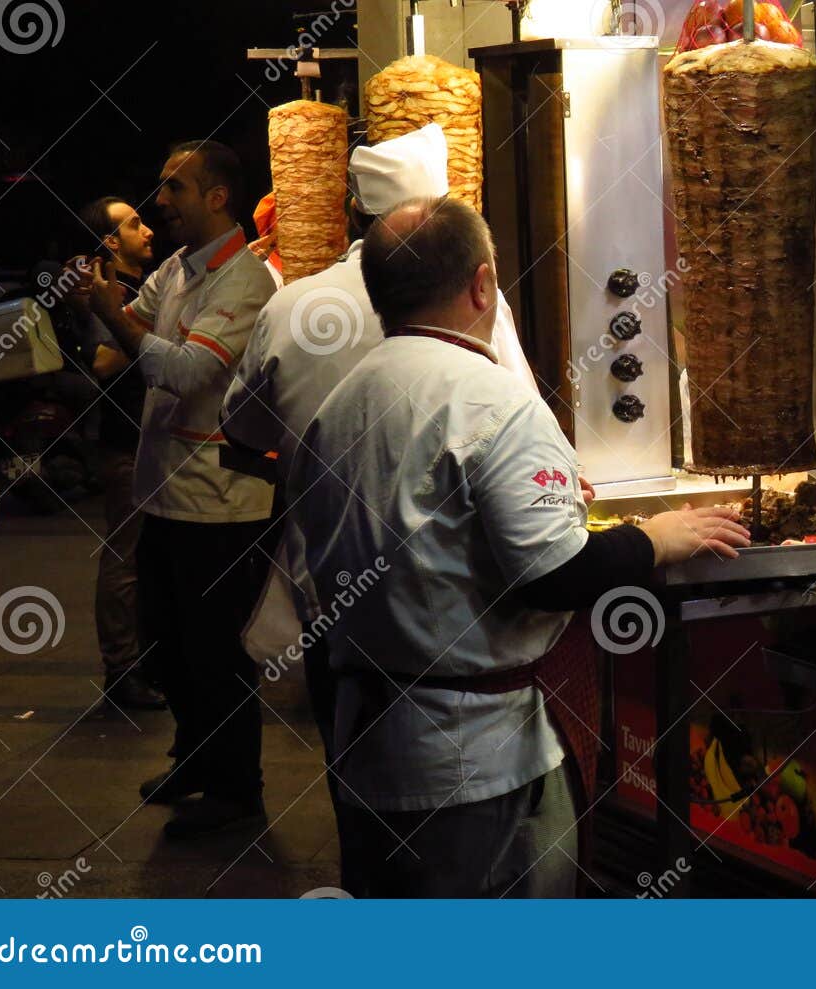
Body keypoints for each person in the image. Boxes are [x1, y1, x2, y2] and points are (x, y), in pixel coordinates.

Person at [285, 196, 749, 897]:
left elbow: (420, 532)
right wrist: (657, 537)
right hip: (475, 768)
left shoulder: (341, 400)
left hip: (365, 747)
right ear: (481, 284)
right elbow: (553, 576)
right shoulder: (492, 400)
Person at [220, 123, 543, 893]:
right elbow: (530, 438)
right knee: (468, 847)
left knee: (362, 788)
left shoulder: (294, 307)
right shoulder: (479, 310)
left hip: (337, 610)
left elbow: (241, 434)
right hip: (458, 624)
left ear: (358, 217)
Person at [84, 140, 278, 839]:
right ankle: (194, 756)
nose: (159, 202)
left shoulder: (246, 282)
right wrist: (116, 315)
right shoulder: (176, 269)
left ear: (217, 197)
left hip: (219, 504)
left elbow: (188, 371)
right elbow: (131, 340)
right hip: (164, 495)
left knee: (216, 650)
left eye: (176, 188)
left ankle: (237, 787)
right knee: (167, 641)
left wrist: (116, 315)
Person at [66, 197, 164, 711]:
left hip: (146, 442)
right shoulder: (110, 293)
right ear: (110, 242)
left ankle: (144, 664)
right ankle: (122, 672)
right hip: (125, 444)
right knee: (125, 559)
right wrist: (152, 332)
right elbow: (104, 361)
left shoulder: (133, 290)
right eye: (134, 224)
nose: (147, 230)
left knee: (145, 558)